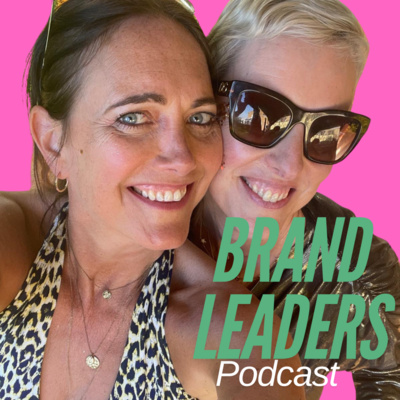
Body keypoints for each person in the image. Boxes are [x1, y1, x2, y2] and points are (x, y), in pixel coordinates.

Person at [0, 0, 305, 399]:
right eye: (133, 117)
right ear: (53, 141)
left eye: (200, 118)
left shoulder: (237, 333)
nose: (182, 159)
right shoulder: (12, 237)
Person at [189, 0, 400, 398]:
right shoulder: (138, 227)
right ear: (206, 104)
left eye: (326, 130)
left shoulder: (357, 272)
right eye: (259, 115)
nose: (289, 166)